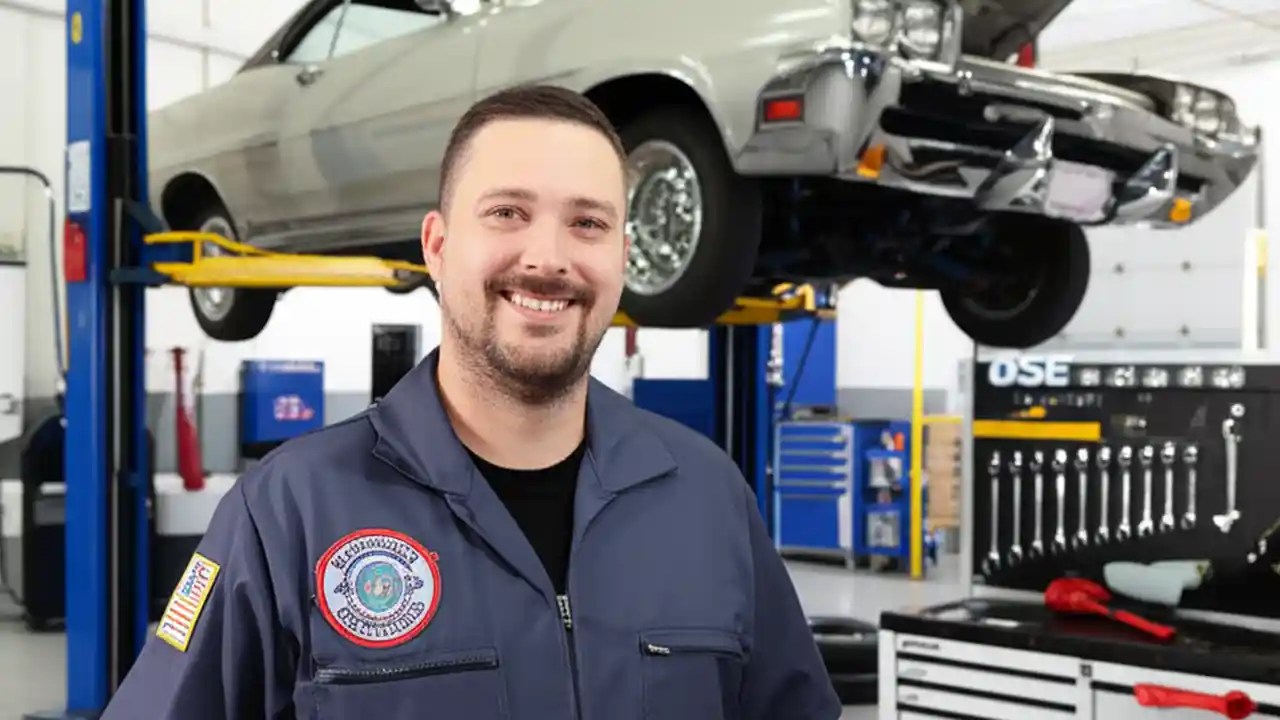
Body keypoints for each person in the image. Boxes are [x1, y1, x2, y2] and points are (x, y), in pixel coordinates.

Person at [102, 84, 841, 719]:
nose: (547, 258)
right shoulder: (289, 512)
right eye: (507, 212)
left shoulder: (708, 499)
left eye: (588, 223)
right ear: (437, 245)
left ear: (623, 257)